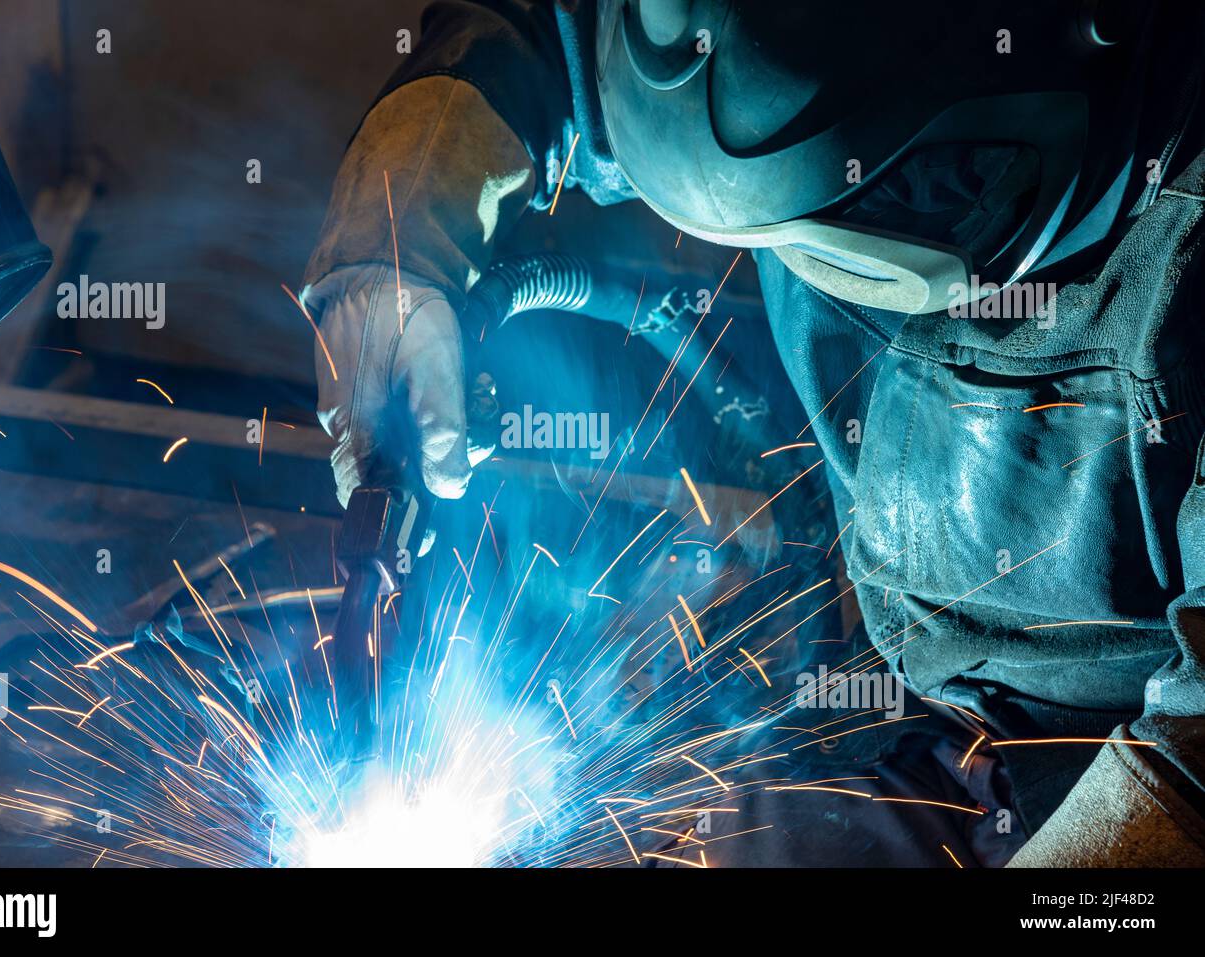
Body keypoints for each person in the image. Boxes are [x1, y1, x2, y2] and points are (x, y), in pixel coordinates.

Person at [300, 0, 1205, 865]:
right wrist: (397, 250)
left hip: (1146, 769)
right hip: (953, 737)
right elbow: (553, 47)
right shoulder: (770, 46)